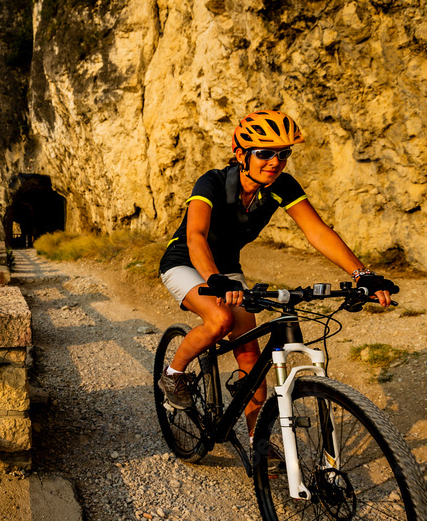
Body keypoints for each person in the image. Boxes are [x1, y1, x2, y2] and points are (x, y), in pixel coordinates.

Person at [156, 110, 398, 441]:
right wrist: (214, 280)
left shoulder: (280, 186)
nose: (275, 161)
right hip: (185, 261)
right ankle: (173, 374)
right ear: (241, 154)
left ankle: (259, 443)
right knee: (220, 320)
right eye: (265, 153)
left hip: (226, 270)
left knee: (251, 355)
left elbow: (317, 231)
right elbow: (195, 235)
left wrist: (362, 273)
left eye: (283, 154)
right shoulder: (211, 182)